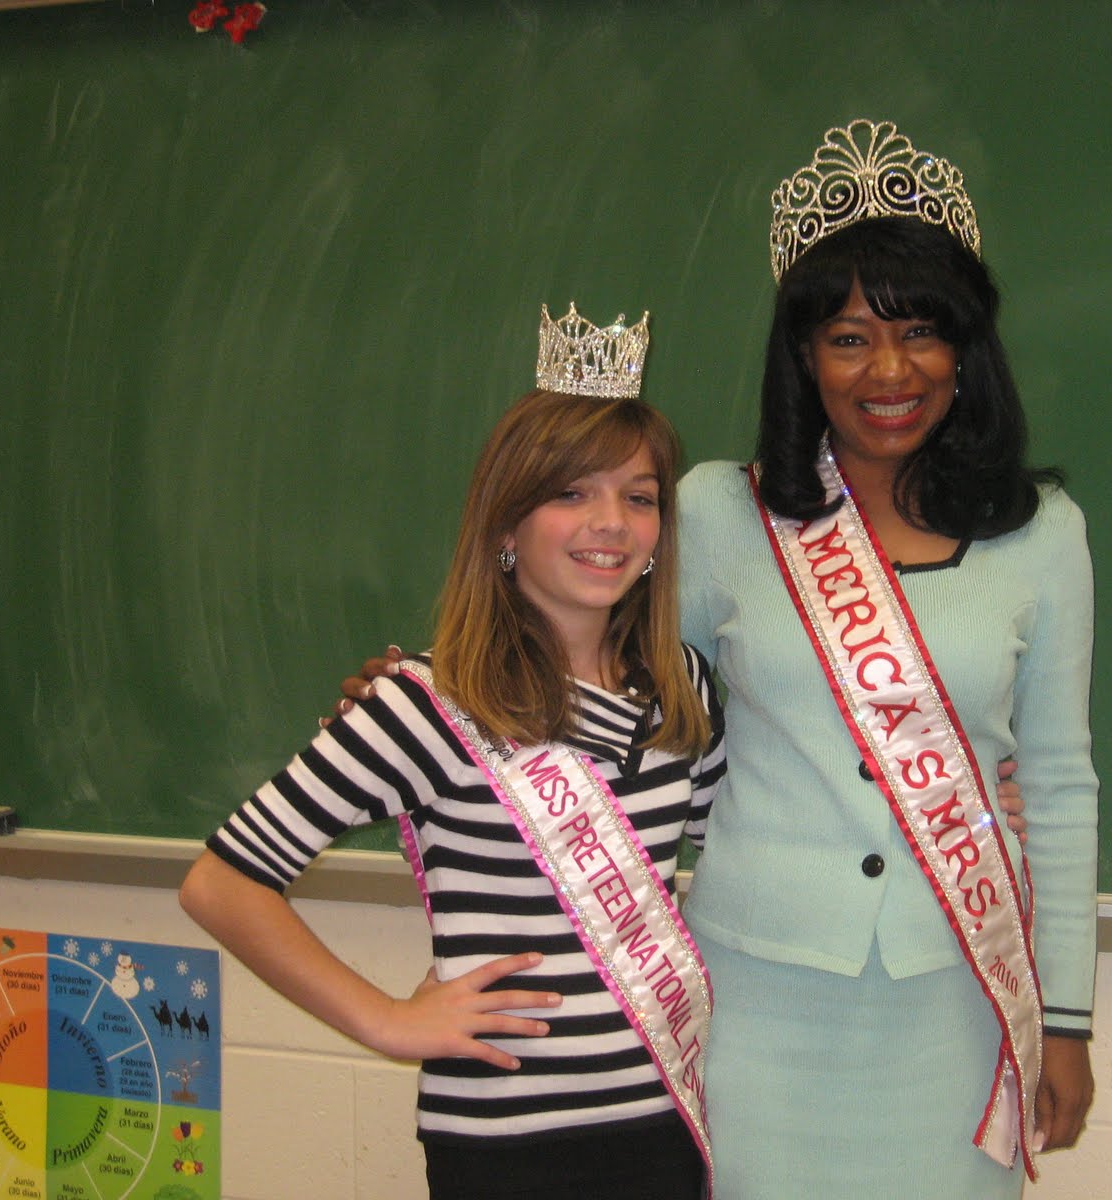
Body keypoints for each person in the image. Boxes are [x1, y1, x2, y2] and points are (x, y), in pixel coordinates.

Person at [342, 119, 1095, 1199]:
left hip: (954, 999)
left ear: (966, 352)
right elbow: (588, 660)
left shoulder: (1044, 533)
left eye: (922, 332)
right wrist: (442, 687)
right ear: (801, 356)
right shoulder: (715, 514)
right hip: (755, 997)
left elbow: (1061, 786)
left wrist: (1063, 1019)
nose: (889, 369)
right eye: (845, 338)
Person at [181, 304, 726, 1200]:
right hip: (505, 1147)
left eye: (639, 496)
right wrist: (388, 1022)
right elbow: (222, 882)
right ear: (506, 528)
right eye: (571, 492)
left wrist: (992, 797)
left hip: (667, 1123)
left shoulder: (684, 690)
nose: (611, 522)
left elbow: (755, 835)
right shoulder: (426, 705)